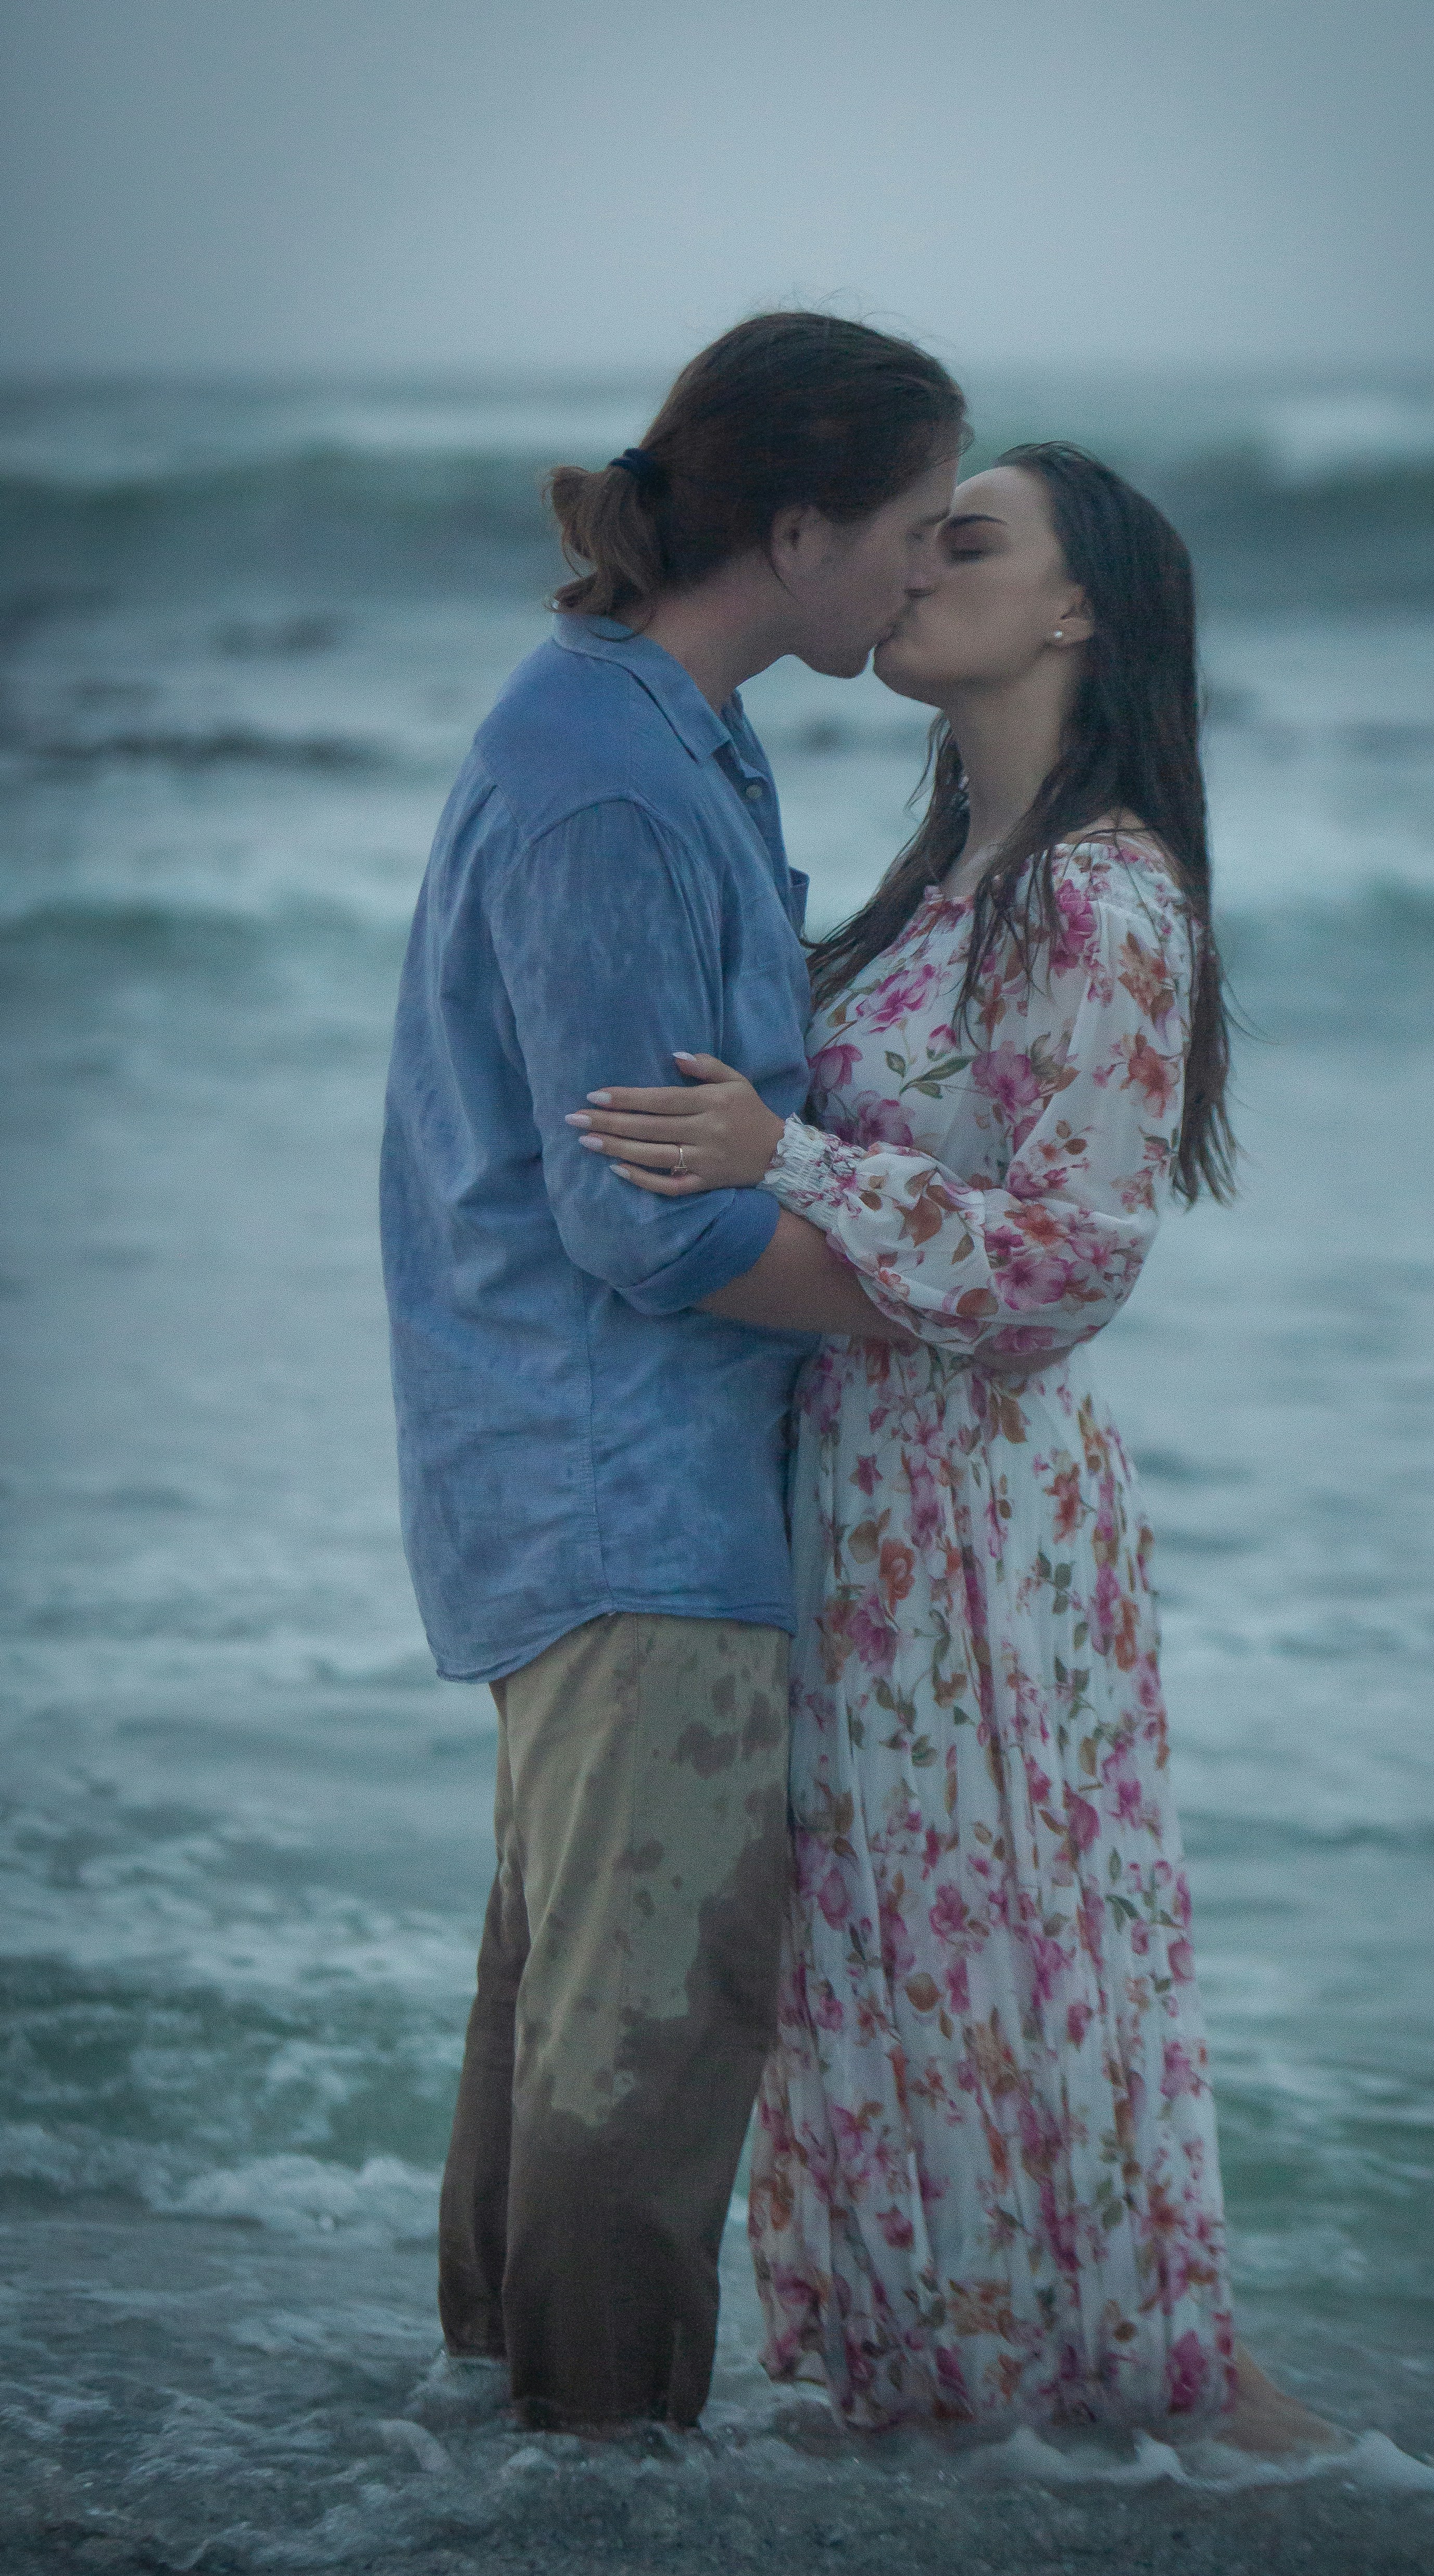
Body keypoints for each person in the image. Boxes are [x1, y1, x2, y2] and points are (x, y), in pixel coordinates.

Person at [573, 444, 1343, 2452]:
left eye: (967, 539)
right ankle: (950, 2411)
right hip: (853, 1493)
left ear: (1078, 613)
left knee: (1015, 1948)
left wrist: (785, 1152)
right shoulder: (937, 890)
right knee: (889, 1961)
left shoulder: (1108, 891)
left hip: (985, 1518)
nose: (920, 565)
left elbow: (1077, 1265)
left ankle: (1160, 2401)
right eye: (919, 531)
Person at [380, 311, 963, 2434]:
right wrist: (951, 1288)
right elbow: (648, 1217)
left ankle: (488, 2479)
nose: (919, 574)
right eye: (909, 530)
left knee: (565, 2039)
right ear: (796, 526)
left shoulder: (665, 730)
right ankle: (594, 2499)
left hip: (597, 1486)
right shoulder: (614, 777)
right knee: (640, 2066)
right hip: (631, 1502)